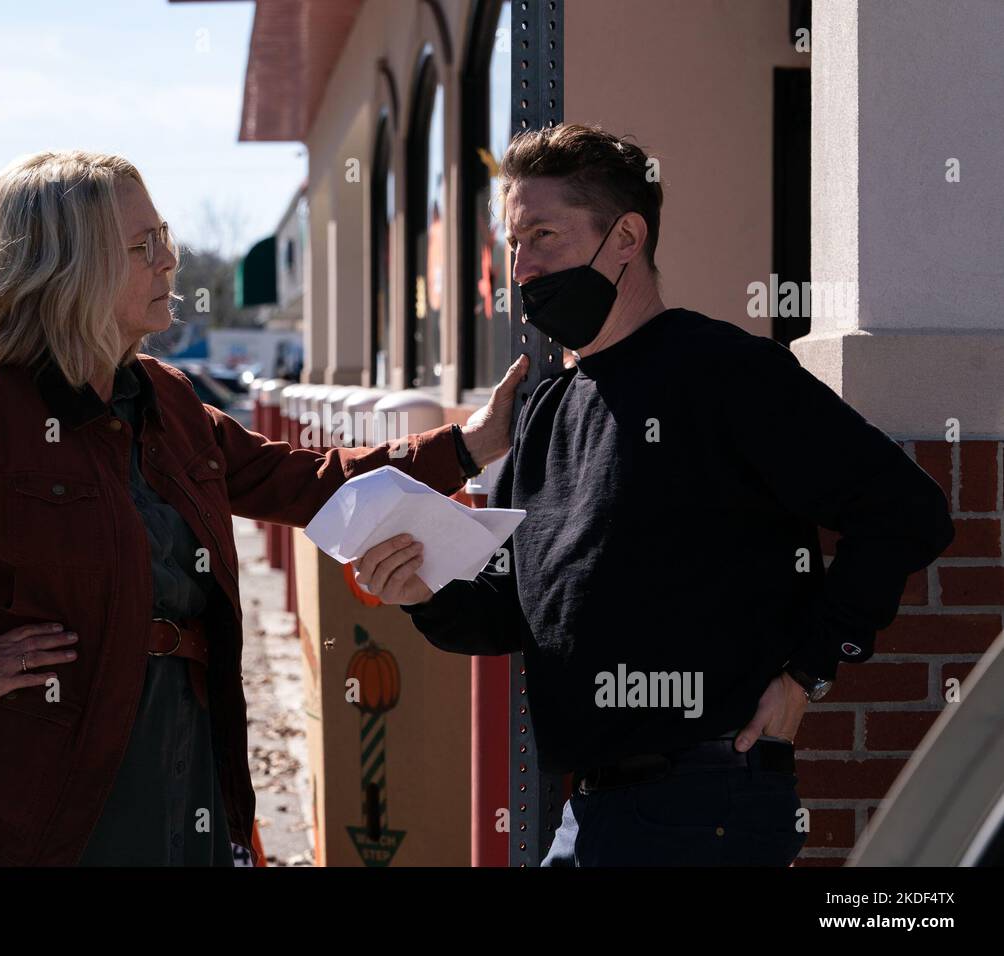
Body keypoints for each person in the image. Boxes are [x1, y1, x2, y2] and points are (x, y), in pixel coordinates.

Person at [0, 150, 526, 866]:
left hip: (179, 748)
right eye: (142, 246)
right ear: (69, 269)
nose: (170, 260)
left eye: (164, 238)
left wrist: (469, 445)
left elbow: (304, 478)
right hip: (37, 778)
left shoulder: (166, 398)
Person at [352, 124, 955, 866]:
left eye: (543, 235)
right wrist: (420, 590)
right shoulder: (543, 410)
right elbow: (514, 611)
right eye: (513, 243)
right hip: (591, 811)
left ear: (627, 237)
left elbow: (908, 512)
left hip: (706, 800)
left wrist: (807, 673)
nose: (522, 266)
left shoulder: (726, 372)